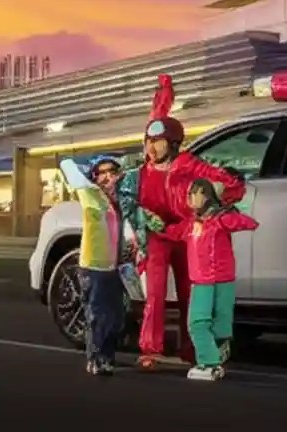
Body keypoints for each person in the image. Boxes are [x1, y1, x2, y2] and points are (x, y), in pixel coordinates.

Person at [122, 74, 247, 369]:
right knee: (154, 292)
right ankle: (150, 348)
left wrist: (213, 201)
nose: (150, 147)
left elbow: (232, 187)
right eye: (148, 141)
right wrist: (143, 220)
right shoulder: (140, 174)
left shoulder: (189, 165)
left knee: (191, 291)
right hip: (155, 235)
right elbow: (128, 202)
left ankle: (193, 348)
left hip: (186, 234)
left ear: (173, 143)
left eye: (157, 141)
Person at [153, 178, 259, 381]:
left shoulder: (221, 219)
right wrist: (154, 224)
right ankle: (211, 359)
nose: (191, 197)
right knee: (203, 322)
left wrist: (229, 212)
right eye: (190, 193)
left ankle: (212, 360)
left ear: (208, 196)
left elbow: (249, 223)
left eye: (197, 192)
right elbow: (170, 232)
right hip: (204, 280)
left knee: (211, 323)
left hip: (219, 280)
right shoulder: (191, 224)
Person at [70, 155, 128, 376]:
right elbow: (67, 164)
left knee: (117, 317)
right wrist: (87, 177)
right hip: (93, 267)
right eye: (102, 173)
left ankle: (107, 357)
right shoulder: (90, 194)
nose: (107, 177)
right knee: (97, 316)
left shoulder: (120, 202)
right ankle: (95, 358)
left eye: (112, 172)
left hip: (115, 267)